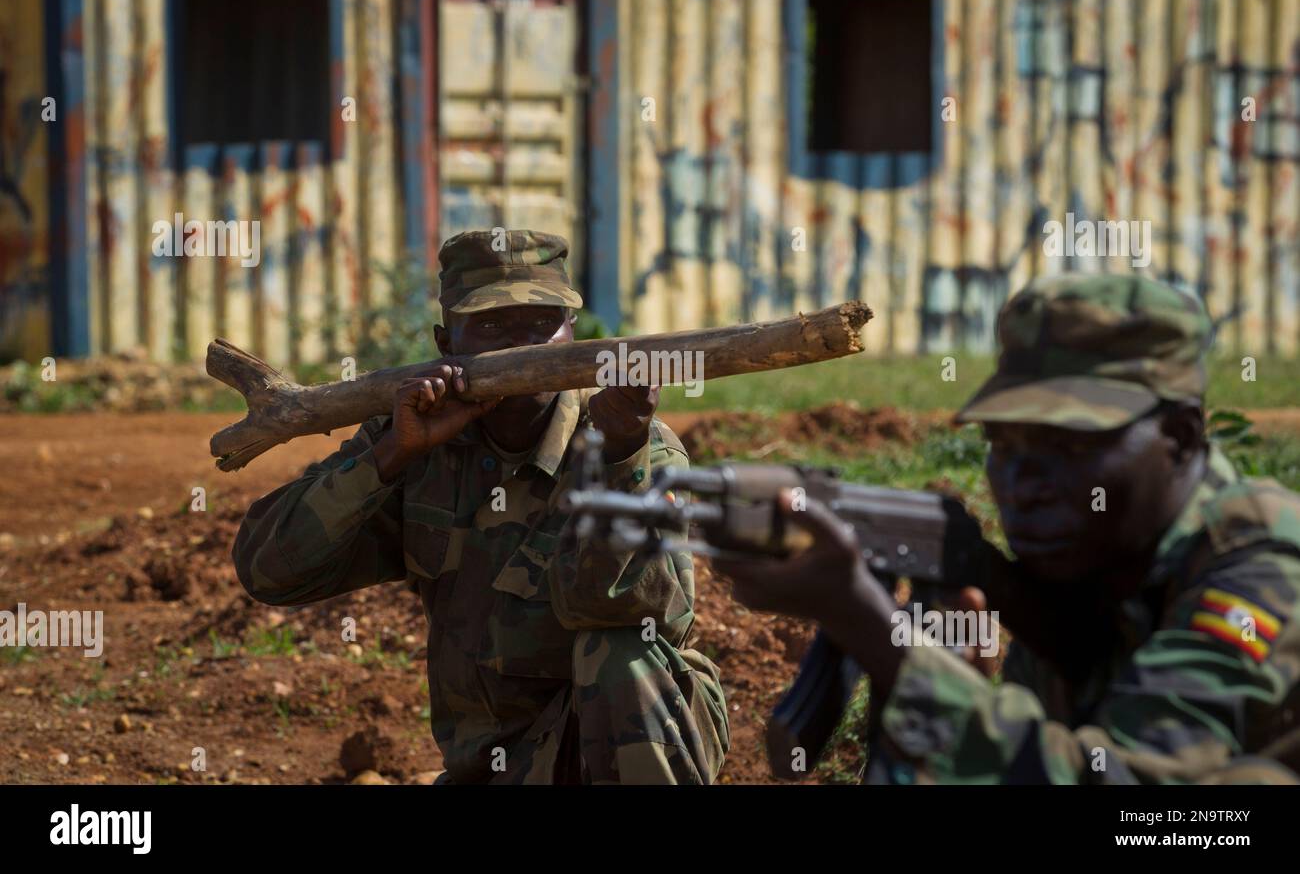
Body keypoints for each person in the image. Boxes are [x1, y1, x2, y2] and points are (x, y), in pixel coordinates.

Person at [714, 273, 1300, 784]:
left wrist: (870, 626)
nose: (1025, 484)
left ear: (1180, 437)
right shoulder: (1094, 562)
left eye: (1067, 445)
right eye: (1004, 444)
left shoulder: (1260, 566)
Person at [233, 230, 728, 784]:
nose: (523, 346)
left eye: (543, 323)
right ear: (448, 344)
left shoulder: (638, 444)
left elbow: (646, 619)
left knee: (620, 658)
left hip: (606, 750)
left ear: (573, 332)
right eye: (492, 326)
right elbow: (267, 572)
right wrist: (391, 455)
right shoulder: (414, 439)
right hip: (493, 767)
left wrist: (619, 459)